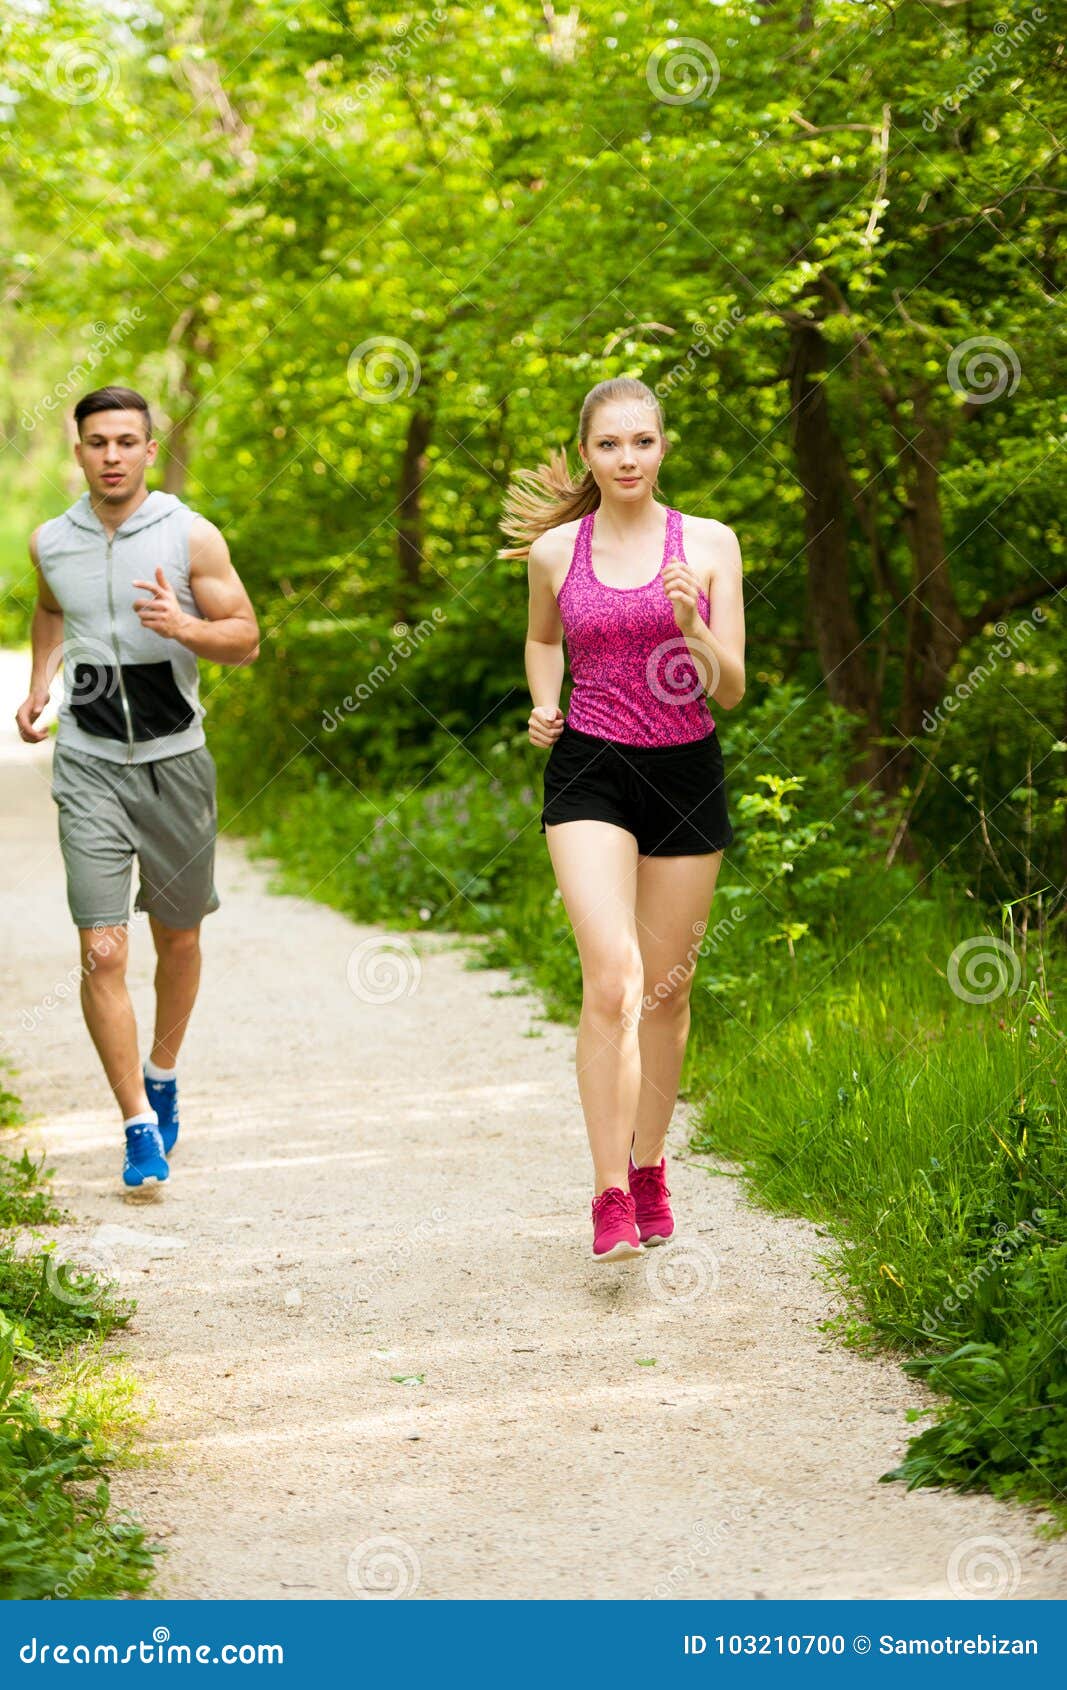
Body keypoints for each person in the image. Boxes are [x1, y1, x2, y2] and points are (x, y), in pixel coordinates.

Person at [501, 376, 746, 1262]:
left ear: (663, 446)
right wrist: (542, 701)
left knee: (666, 990)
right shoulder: (555, 550)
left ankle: (650, 1168)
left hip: (684, 771)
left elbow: (731, 687)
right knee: (611, 978)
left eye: (641, 442)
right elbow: (541, 639)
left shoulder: (709, 544)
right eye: (609, 445)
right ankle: (608, 1191)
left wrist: (689, 623)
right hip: (589, 772)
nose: (627, 458)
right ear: (587, 455)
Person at [15, 385, 260, 1197]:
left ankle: (162, 1071)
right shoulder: (52, 541)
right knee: (101, 948)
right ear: (78, 452)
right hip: (86, 762)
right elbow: (52, 610)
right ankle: (135, 1123)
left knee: (179, 938)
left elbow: (246, 639)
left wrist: (185, 628)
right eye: (97, 442)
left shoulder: (190, 534)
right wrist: (40, 681)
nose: (112, 456)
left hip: (176, 761)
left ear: (149, 450)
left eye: (127, 441)